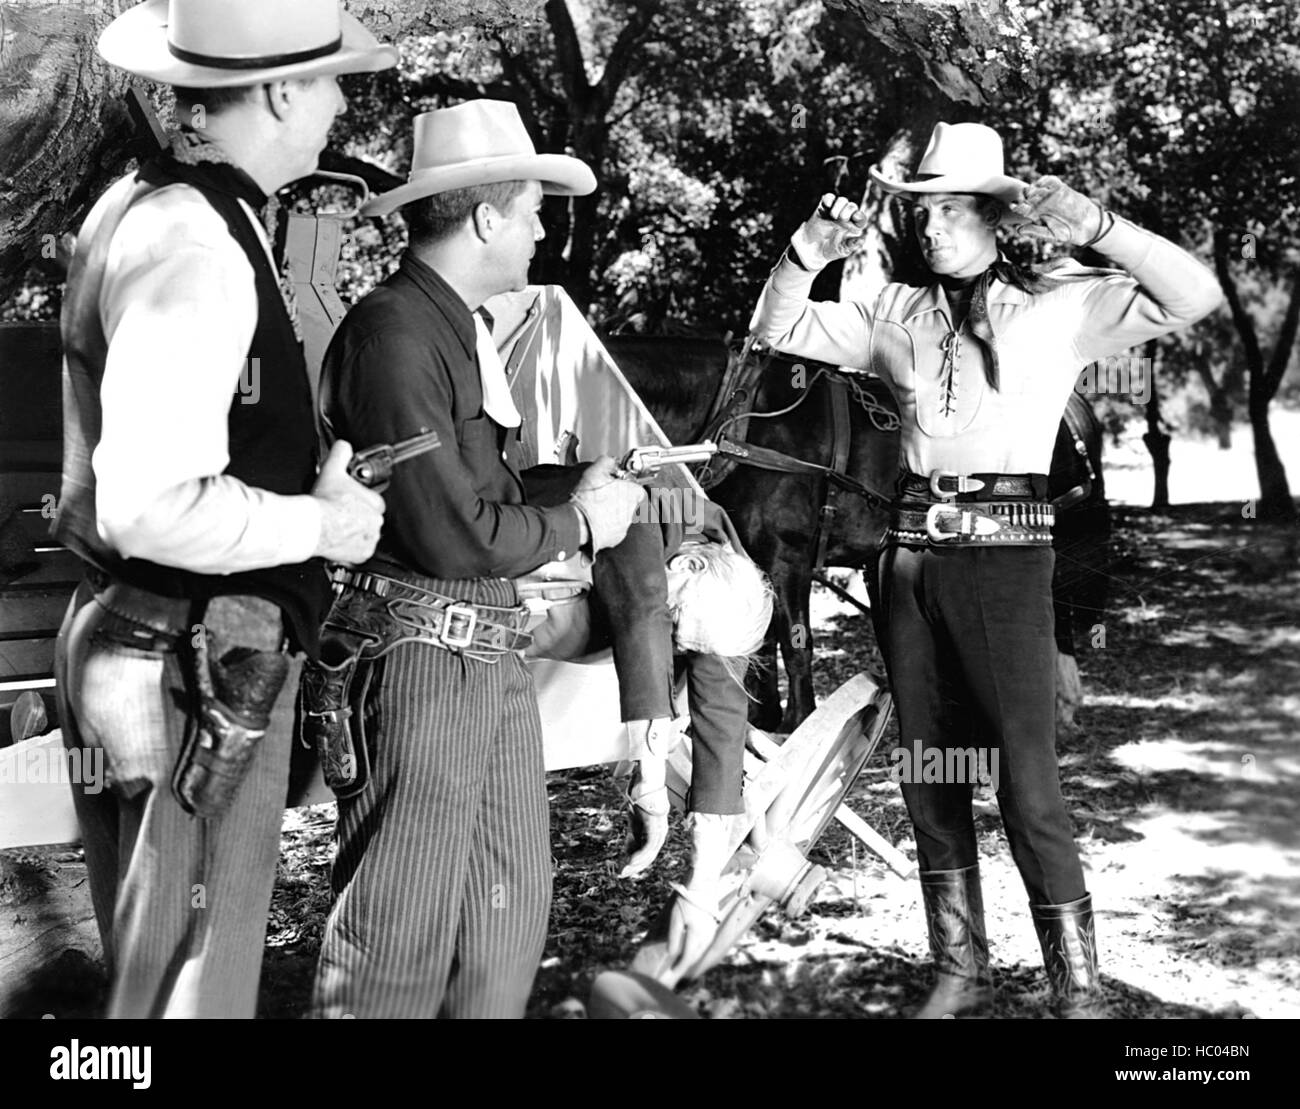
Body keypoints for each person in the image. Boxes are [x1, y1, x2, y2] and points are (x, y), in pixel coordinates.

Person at [749, 121, 1222, 1018]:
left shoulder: (1063, 303)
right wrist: (810, 247)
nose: (934, 227)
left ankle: (1076, 992)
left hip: (1006, 559)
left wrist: (1100, 224)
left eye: (957, 209)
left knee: (1026, 781)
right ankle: (960, 971)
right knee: (931, 770)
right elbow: (779, 330)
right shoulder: (893, 312)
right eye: (924, 210)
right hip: (908, 565)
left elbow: (1193, 295)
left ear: (998, 216)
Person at [52, 0, 395, 1018]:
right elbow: (152, 506)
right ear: (283, 89)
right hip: (194, 669)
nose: (340, 105)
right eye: (333, 81)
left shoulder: (157, 205)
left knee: (150, 972)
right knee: (194, 984)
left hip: (147, 645)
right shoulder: (197, 241)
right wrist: (318, 526)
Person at [310, 100, 646, 1018]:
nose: (543, 228)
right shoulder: (395, 337)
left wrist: (572, 493)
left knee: (505, 916)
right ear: (488, 218)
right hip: (419, 656)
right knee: (398, 932)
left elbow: (477, 504)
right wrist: (581, 523)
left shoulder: (453, 326)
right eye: (534, 209)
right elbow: (451, 533)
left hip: (482, 651)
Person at [517, 517, 774, 978]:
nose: (674, 644)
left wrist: (701, 888)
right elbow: (644, 618)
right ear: (689, 563)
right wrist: (651, 789)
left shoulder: (721, 591)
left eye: (686, 646)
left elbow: (721, 723)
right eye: (675, 624)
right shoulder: (651, 519)